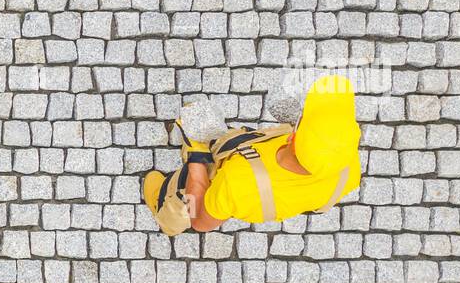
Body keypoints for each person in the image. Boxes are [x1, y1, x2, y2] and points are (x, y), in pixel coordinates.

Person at [142, 75, 362, 235]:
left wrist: (198, 156)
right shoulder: (348, 167)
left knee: (180, 204)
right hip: (258, 161)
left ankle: (164, 213)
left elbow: (200, 221)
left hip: (216, 189)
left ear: (294, 137)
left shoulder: (240, 182)